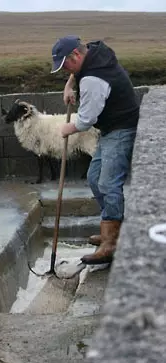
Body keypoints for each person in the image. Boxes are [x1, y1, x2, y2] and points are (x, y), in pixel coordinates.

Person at [51, 35, 139, 264]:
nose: (64, 70)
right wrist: (69, 85)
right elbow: (76, 72)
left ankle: (112, 242)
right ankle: (111, 229)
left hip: (121, 128)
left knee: (108, 183)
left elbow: (87, 119)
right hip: (111, 128)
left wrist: (67, 128)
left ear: (76, 55)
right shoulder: (94, 55)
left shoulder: (92, 79)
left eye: (65, 64)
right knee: (94, 178)